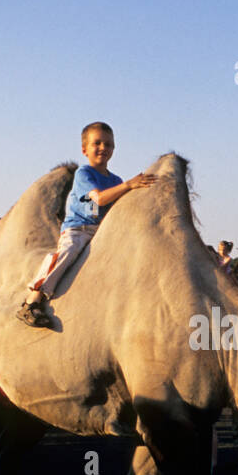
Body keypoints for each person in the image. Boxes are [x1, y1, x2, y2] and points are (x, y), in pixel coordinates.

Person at [19, 122, 156, 326]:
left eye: (108, 144)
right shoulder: (85, 174)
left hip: (103, 232)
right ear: (85, 149)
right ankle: (33, 299)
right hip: (79, 230)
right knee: (68, 252)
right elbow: (99, 199)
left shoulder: (115, 179)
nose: (103, 148)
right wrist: (128, 185)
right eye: (97, 143)